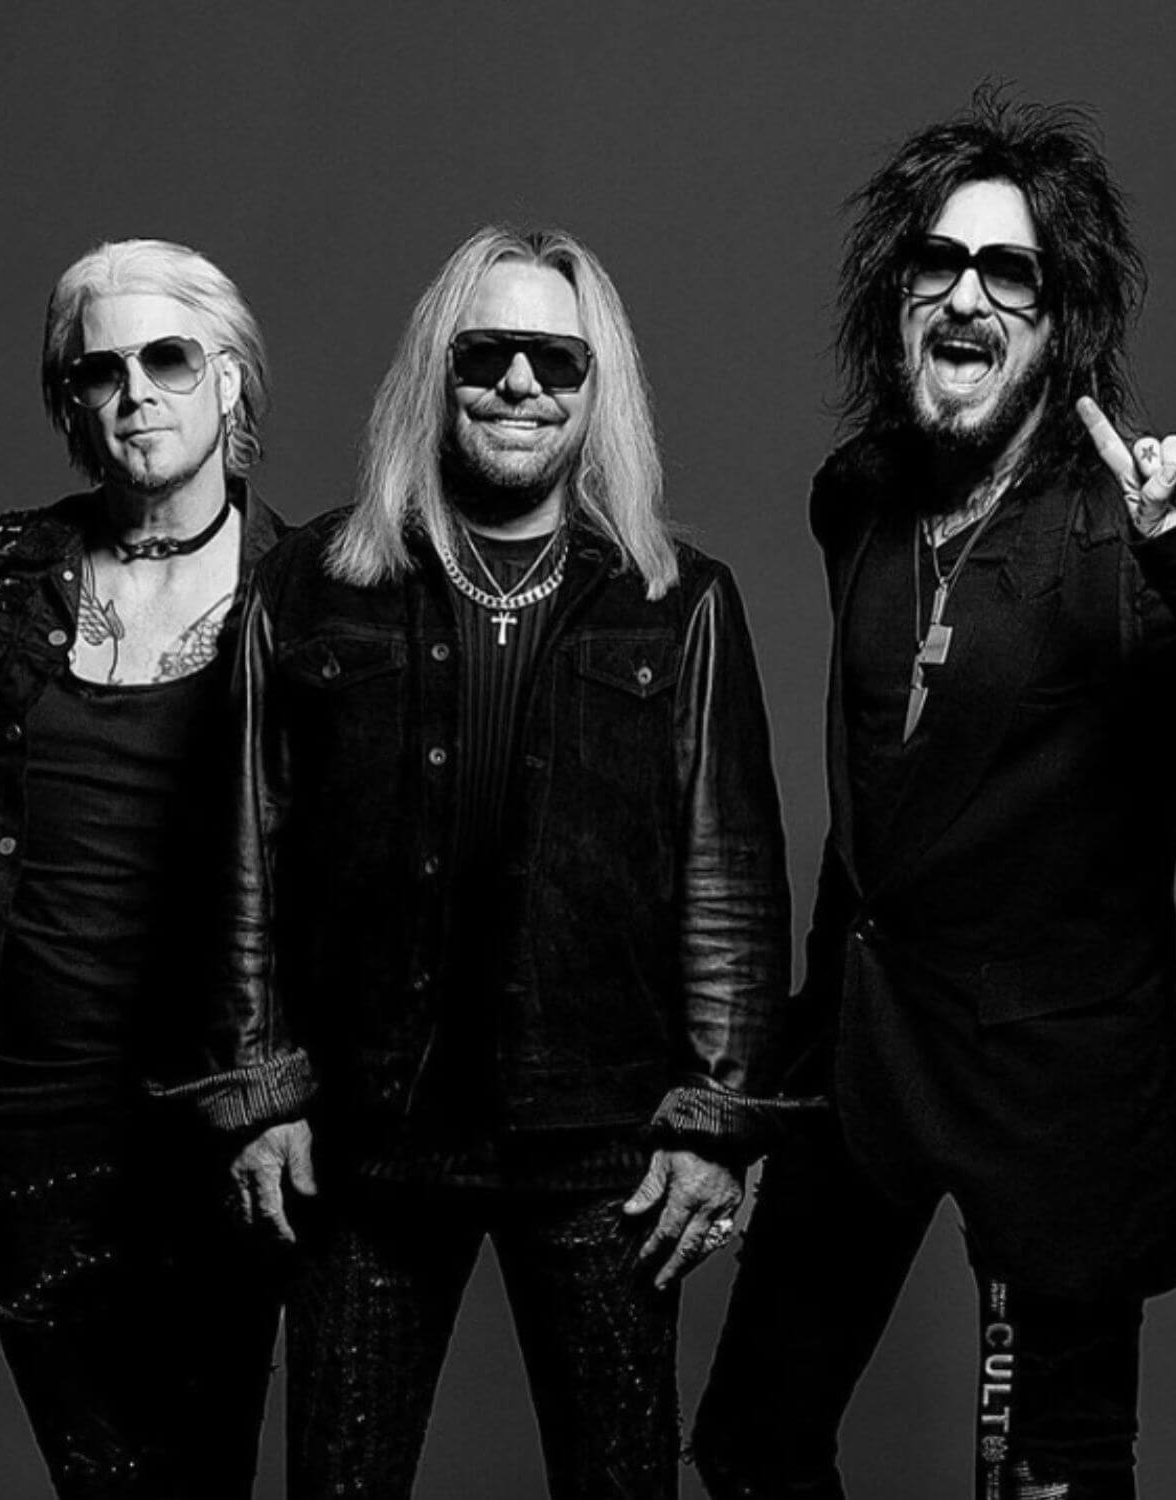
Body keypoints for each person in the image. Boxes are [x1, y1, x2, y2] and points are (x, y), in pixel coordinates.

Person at [694, 88, 1176, 1500]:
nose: (968, 297)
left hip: (1054, 1108)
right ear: (896, 296)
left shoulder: (1130, 545)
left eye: (1013, 274)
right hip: (861, 1075)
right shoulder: (857, 501)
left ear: (1059, 325)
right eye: (939, 262)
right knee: (748, 1447)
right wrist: (778, 1078)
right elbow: (883, 811)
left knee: (1049, 1485)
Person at [170, 225, 799, 1498]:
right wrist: (257, 1093)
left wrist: (715, 1123)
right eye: (487, 353)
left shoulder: (679, 602)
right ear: (436, 371)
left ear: (595, 386)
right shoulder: (310, 582)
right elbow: (239, 847)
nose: (519, 383)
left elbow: (728, 877)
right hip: (364, 1140)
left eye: (554, 360)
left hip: (604, 1148)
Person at [0, 239, 288, 1498]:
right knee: (94, 1473)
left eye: (168, 358)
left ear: (228, 379)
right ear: (70, 402)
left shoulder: (307, 597)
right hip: (31, 1106)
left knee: (201, 1469)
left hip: (216, 1108)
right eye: (99, 371)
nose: (134, 392)